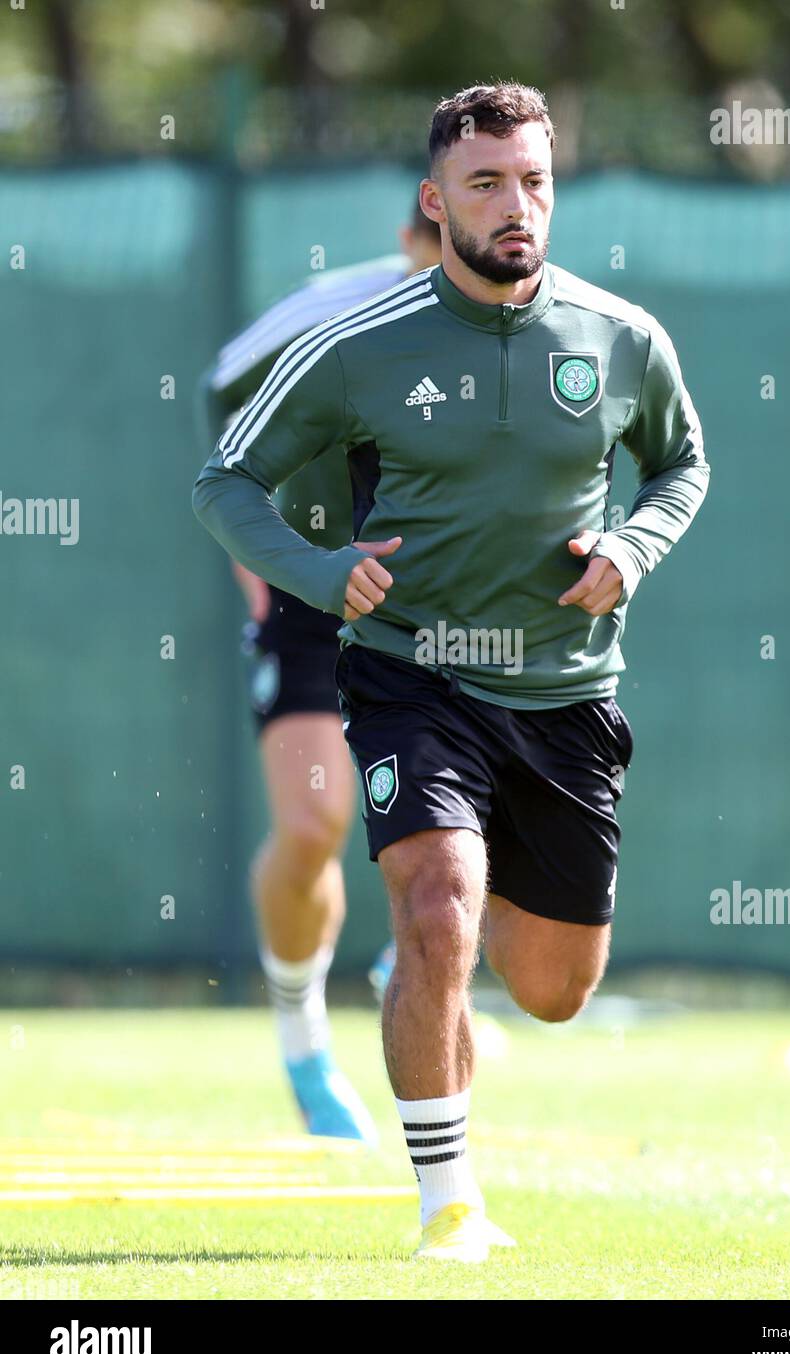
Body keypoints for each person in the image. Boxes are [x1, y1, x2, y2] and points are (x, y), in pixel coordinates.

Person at [193, 82, 709, 1257]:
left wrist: (632, 546)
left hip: (565, 690)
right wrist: (314, 573)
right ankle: (448, 1204)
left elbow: (681, 464)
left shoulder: (620, 336)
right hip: (408, 674)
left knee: (550, 987)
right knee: (432, 905)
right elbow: (224, 479)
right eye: (485, 182)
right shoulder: (353, 340)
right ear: (436, 203)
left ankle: (441, 968)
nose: (514, 202)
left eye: (532, 179)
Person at [198, 203, 441, 1143]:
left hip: (449, 602)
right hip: (314, 588)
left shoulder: (531, 326)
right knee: (312, 825)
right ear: (422, 221)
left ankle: (425, 952)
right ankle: (303, 1042)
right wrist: (250, 539)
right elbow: (223, 389)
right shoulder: (328, 307)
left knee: (480, 828)